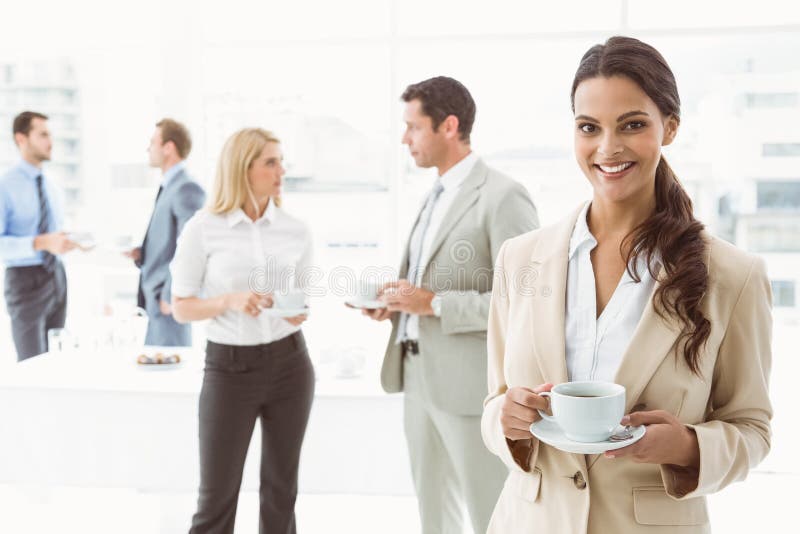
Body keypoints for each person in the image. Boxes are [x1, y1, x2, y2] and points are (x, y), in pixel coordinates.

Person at [481, 36, 772, 533]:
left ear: (670, 128)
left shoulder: (733, 276)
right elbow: (495, 401)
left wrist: (686, 446)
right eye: (588, 128)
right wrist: (504, 421)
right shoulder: (519, 258)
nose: (608, 148)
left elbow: (752, 428)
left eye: (632, 125)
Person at [362, 76, 540, 534]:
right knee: (433, 517)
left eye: (413, 127)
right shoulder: (436, 194)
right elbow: (429, 288)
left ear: (449, 126)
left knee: (490, 515)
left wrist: (434, 304)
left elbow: (526, 303)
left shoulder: (502, 196)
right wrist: (398, 303)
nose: (405, 138)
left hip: (469, 391)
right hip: (418, 379)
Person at [171, 128, 313, 534]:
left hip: (290, 364)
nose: (281, 170)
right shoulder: (203, 228)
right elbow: (180, 307)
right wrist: (230, 300)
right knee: (216, 496)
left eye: (281, 161)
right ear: (242, 168)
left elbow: (299, 299)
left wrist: (295, 312)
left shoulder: (296, 230)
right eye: (270, 162)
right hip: (228, 368)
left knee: (281, 493)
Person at [0, 111, 82, 361]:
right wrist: (39, 243)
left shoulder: (52, 185)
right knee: (32, 363)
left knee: (57, 359)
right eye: (43, 134)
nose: (51, 141)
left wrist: (67, 242)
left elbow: (54, 233)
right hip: (25, 279)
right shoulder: (5, 185)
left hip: (57, 275)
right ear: (22, 139)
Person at [124, 118, 205, 346]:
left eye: (153, 142)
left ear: (169, 147)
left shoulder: (187, 188)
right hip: (155, 297)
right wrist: (144, 253)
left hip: (167, 299)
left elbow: (191, 245)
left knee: (169, 371)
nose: (148, 149)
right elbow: (170, 240)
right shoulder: (170, 186)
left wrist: (171, 293)